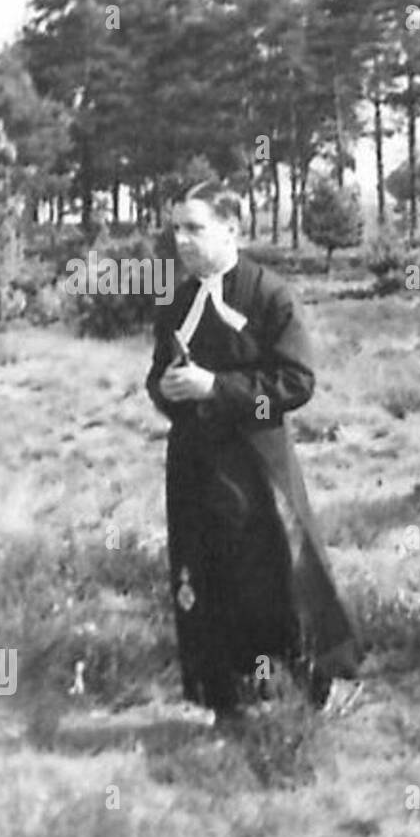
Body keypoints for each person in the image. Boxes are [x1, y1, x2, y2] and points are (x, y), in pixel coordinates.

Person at [147, 181, 358, 720]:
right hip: (195, 462)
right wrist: (167, 390)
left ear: (231, 230)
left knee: (280, 574)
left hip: (258, 462)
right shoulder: (174, 300)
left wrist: (216, 389)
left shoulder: (269, 295)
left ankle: (320, 687)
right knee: (204, 574)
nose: (183, 241)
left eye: (195, 228)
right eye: (177, 229)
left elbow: (296, 382)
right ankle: (226, 698)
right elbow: (158, 376)